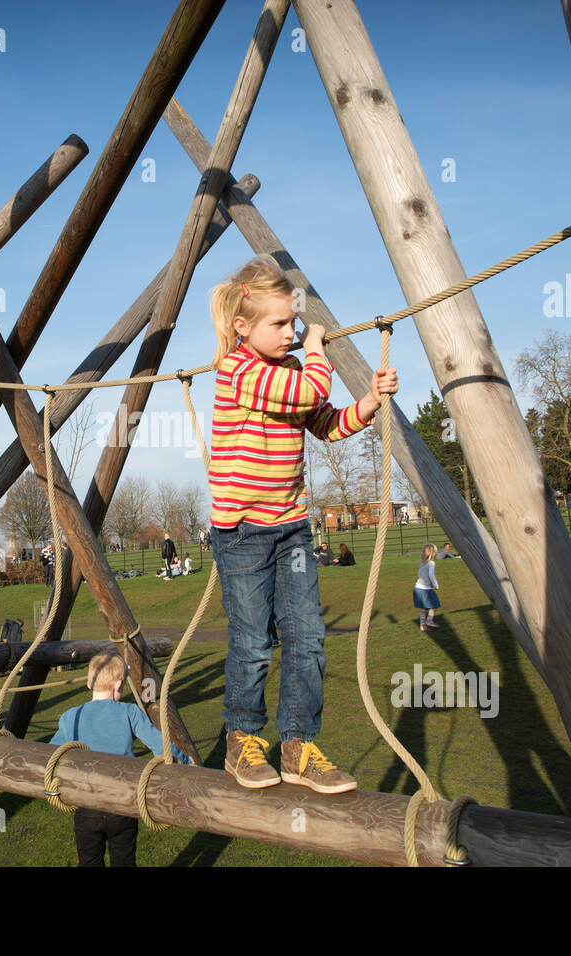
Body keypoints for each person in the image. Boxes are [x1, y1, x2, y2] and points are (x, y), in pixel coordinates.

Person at [207, 255, 398, 794]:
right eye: (281, 324)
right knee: (252, 641)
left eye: (294, 323)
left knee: (308, 638)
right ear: (243, 327)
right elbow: (312, 391)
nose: (291, 333)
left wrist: (368, 401)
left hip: (290, 526)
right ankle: (242, 737)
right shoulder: (237, 370)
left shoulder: (290, 372)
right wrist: (317, 346)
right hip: (243, 530)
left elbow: (327, 424)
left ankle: (296, 745)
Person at [49, 649, 189, 866]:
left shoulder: (70, 717)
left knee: (88, 861)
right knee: (124, 860)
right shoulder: (129, 712)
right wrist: (184, 760)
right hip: (122, 803)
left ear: (88, 684)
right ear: (118, 684)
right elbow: (160, 745)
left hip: (86, 805)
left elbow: (51, 755)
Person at [414, 543, 441, 631]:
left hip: (417, 588)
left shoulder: (422, 563)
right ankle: (429, 621)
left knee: (423, 608)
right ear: (433, 553)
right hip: (425, 589)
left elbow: (419, 573)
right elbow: (431, 575)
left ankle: (422, 626)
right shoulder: (431, 563)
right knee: (434, 605)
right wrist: (436, 585)